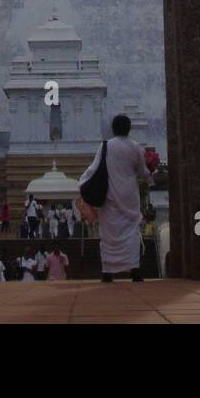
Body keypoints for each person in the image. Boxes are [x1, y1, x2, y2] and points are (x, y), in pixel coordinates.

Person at [79, 113, 156, 282]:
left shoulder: (106, 146)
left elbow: (94, 169)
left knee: (108, 234)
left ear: (113, 129)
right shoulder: (135, 147)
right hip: (129, 196)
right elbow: (143, 172)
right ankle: (134, 269)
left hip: (109, 196)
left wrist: (82, 182)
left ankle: (107, 271)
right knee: (131, 233)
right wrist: (151, 176)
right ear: (129, 129)